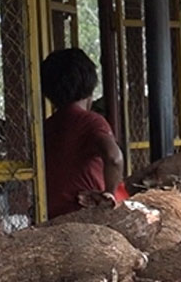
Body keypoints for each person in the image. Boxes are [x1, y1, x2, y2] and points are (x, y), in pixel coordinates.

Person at [39, 48, 126, 218]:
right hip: (85, 216)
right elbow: (114, 158)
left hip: (50, 218)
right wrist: (109, 194)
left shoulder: (46, 127)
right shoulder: (91, 121)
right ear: (90, 85)